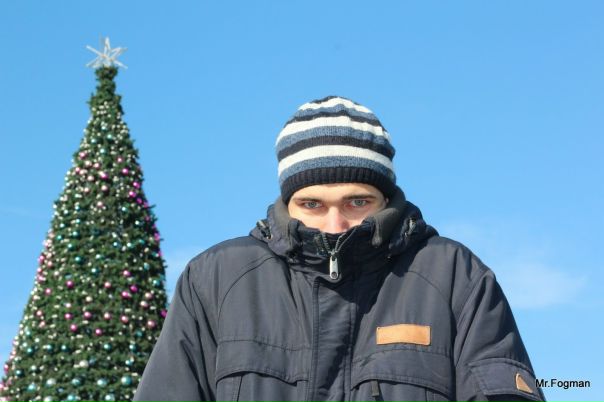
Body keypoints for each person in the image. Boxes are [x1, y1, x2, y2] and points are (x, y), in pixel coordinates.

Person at [133, 96, 545, 402]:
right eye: (312, 204)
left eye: (357, 202)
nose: (335, 225)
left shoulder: (454, 276)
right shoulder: (216, 279)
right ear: (288, 202)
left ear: (385, 199)